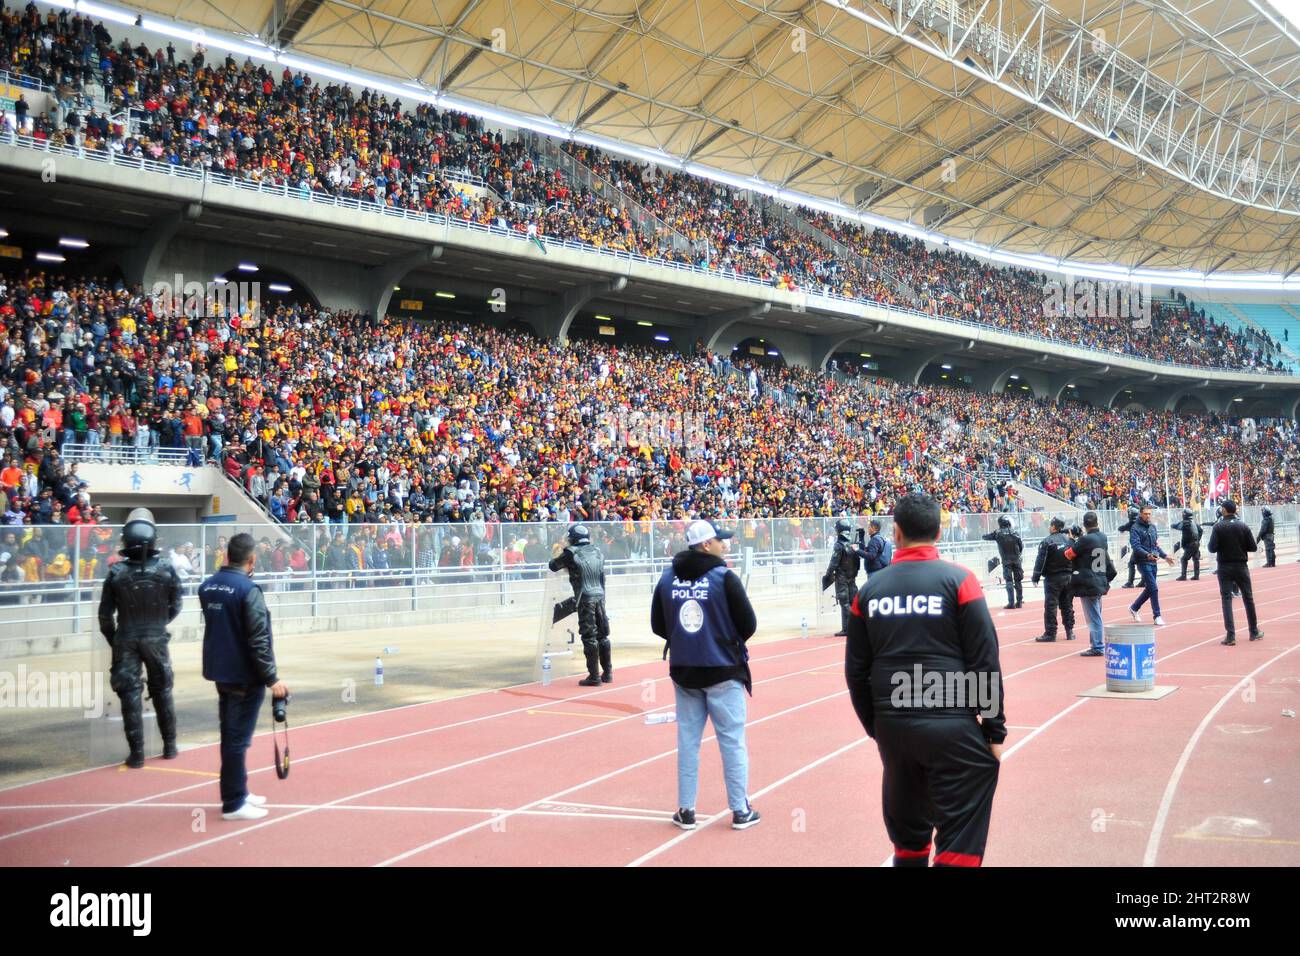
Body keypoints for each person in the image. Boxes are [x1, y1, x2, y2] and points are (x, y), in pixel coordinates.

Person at [845, 493, 1004, 867]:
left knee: (909, 835)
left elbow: (855, 671)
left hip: (893, 726)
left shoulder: (869, 592)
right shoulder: (960, 581)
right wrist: (994, 730)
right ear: (938, 531)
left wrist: (877, 726)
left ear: (896, 533)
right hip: (951, 724)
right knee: (962, 826)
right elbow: (984, 659)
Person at [651, 519, 760, 831]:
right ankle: (740, 810)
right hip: (723, 669)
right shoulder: (724, 577)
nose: (724, 545)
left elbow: (658, 625)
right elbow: (748, 624)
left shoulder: (667, 578)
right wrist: (721, 637)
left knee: (687, 741)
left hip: (685, 670)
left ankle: (686, 809)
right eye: (719, 540)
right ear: (705, 545)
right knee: (732, 740)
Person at [199, 533, 289, 821]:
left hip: (221, 670)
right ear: (251, 559)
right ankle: (234, 802)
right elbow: (257, 639)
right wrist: (272, 678)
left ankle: (238, 791)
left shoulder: (208, 586)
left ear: (227, 556)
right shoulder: (248, 590)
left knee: (231, 736)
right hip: (244, 675)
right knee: (237, 739)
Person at [97, 508, 183, 768]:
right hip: (156, 638)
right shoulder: (167, 570)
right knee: (162, 690)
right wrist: (158, 623)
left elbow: (104, 617)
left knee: (130, 694)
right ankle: (169, 746)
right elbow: (176, 605)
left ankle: (137, 754)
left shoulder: (116, 573)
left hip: (127, 638)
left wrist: (117, 640)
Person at [548, 523, 611, 686]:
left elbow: (553, 565)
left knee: (589, 636)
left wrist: (560, 552)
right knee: (603, 635)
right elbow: (602, 577)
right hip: (600, 596)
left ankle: (594, 676)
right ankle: (608, 673)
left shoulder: (570, 552)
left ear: (573, 538)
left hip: (585, 598)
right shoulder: (597, 551)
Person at [1207, 500, 1264, 646]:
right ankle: (1253, 631)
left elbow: (1212, 548)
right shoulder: (1243, 525)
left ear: (1224, 510)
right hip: (1241, 566)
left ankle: (1231, 635)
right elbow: (1252, 547)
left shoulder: (1218, 527)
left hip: (1224, 567)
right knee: (1248, 598)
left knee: (1226, 600)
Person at [1064, 511, 1116, 657]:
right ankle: (1096, 644)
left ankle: (1098, 646)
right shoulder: (1102, 537)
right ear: (1096, 522)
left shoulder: (1085, 540)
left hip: (1089, 581)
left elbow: (1068, 554)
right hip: (1100, 579)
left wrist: (1071, 540)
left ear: (1085, 524)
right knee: (1096, 613)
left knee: (1093, 617)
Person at [1128, 505, 1175, 625]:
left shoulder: (1153, 527)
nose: (1148, 515)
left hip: (1153, 562)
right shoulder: (1135, 528)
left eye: (1149, 514)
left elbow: (1156, 546)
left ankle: (1134, 607)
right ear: (1140, 514)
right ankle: (1157, 615)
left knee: (1150, 588)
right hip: (1142, 562)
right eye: (1145, 513)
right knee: (1154, 588)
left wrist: (1165, 556)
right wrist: (1147, 555)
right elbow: (1136, 546)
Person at [1031, 517, 1075, 642]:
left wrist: (1036, 576)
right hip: (1068, 577)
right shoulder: (1069, 541)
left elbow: (1041, 560)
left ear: (1054, 527)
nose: (1049, 527)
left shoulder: (1047, 542)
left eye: (1050, 525)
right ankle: (1069, 631)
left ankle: (1051, 633)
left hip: (1053, 578)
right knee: (1067, 605)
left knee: (1051, 606)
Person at [823, 518, 869, 636]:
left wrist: (827, 575)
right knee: (853, 601)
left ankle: (848, 629)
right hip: (852, 576)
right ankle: (856, 627)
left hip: (842, 577)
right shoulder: (853, 544)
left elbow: (834, 563)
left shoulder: (839, 545)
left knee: (844, 603)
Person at [982, 515, 1024, 609]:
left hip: (1006, 560)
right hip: (1016, 559)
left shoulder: (998, 533)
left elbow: (985, 537)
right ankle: (1019, 602)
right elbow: (1021, 546)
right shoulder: (1015, 532)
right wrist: (1018, 555)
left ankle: (1011, 603)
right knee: (1018, 581)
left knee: (1009, 581)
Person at [1171, 508, 1203, 580]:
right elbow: (1201, 530)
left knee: (1184, 559)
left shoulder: (1186, 522)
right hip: (1196, 544)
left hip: (1190, 545)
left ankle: (1183, 575)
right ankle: (1196, 575)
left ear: (1185, 515)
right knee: (1196, 559)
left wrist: (1171, 525)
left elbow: (1178, 526)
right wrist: (1198, 539)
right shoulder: (1194, 522)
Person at [1118, 506, 1140, 587]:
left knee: (1131, 563)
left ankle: (1130, 582)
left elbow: (1121, 528)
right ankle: (1144, 580)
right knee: (1140, 564)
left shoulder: (1131, 523)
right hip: (1142, 546)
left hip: (1137, 547)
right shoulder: (1140, 522)